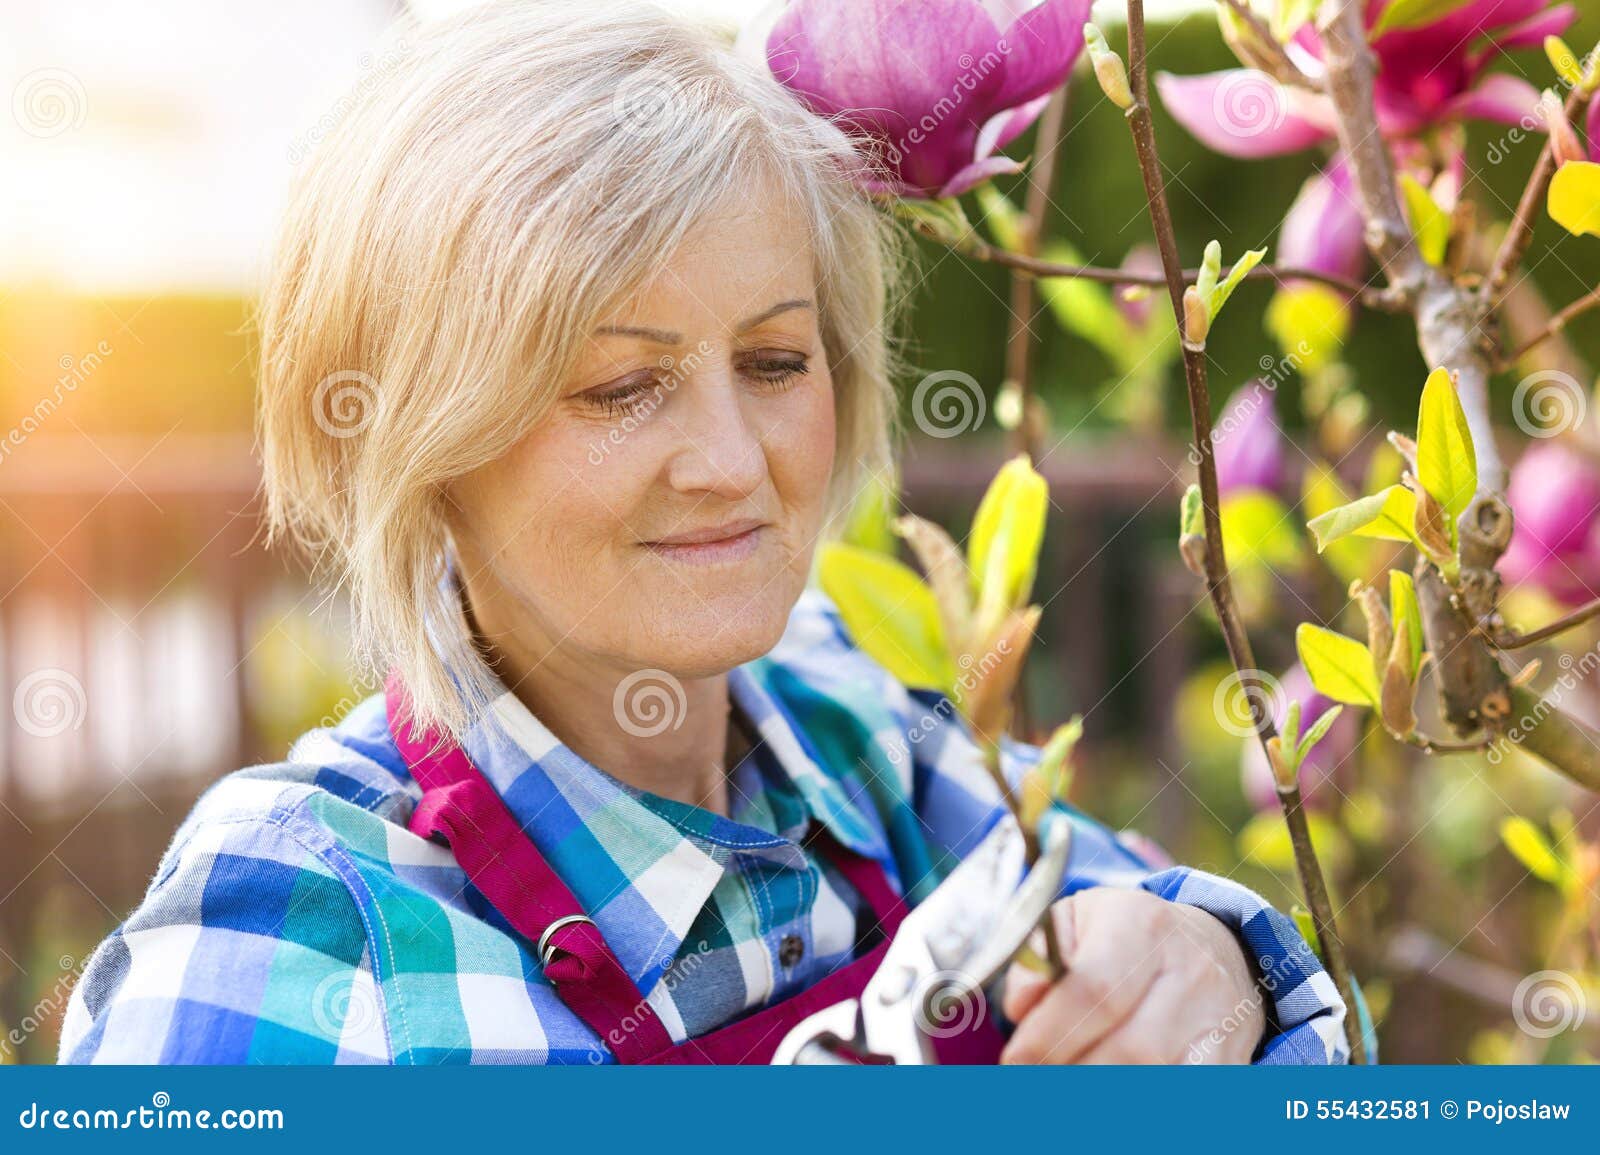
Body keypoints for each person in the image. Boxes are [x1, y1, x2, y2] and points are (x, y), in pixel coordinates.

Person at [59, 0, 1351, 1065]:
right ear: (417, 441)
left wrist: (1215, 968)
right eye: (621, 387)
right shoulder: (296, 939)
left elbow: (1217, 972)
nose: (735, 465)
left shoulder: (863, 744)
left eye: (779, 361)